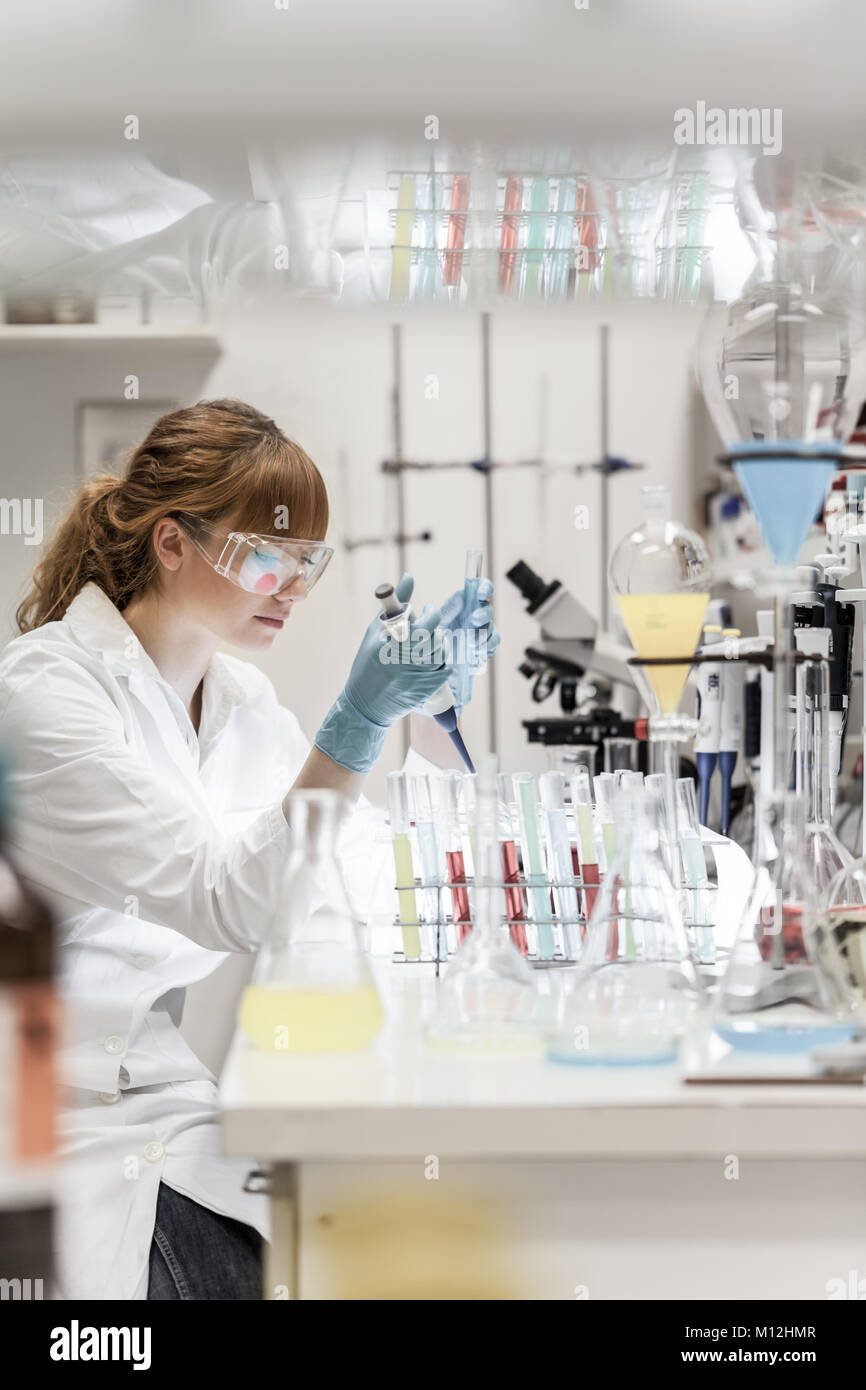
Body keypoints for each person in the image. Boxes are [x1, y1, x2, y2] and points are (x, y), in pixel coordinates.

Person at [0, 398, 499, 1300]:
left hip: (159, 1096)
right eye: (268, 554)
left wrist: (430, 720)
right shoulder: (46, 697)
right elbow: (225, 898)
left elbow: (360, 865)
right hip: (43, 1117)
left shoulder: (238, 703)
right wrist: (353, 723)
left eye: (308, 560)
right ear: (171, 542)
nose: (294, 588)